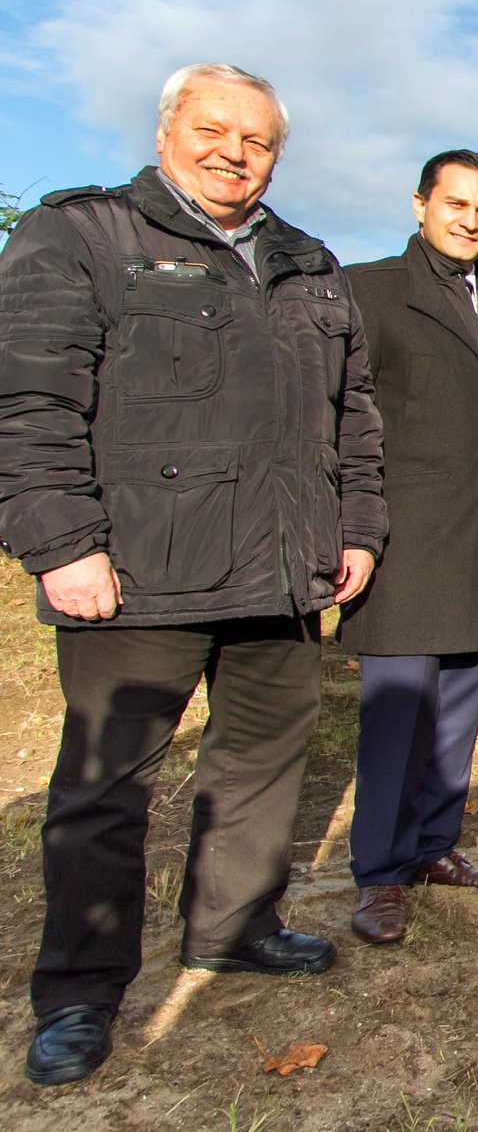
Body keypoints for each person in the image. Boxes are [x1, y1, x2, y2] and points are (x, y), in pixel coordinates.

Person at [0, 63, 385, 1085]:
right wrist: (58, 541)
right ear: (171, 128)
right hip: (137, 571)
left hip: (281, 570)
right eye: (214, 130)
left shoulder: (308, 261)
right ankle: (81, 988)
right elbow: (30, 402)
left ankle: (232, 925)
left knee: (259, 768)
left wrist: (359, 526)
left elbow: (354, 413)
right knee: (102, 789)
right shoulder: (81, 237)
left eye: (258, 141)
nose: (235, 152)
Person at [339, 150, 478, 945]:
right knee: (398, 710)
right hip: (407, 535)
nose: (469, 220)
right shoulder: (372, 290)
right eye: (455, 203)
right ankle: (381, 873)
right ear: (419, 202)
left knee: (460, 704)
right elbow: (344, 411)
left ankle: (433, 845)